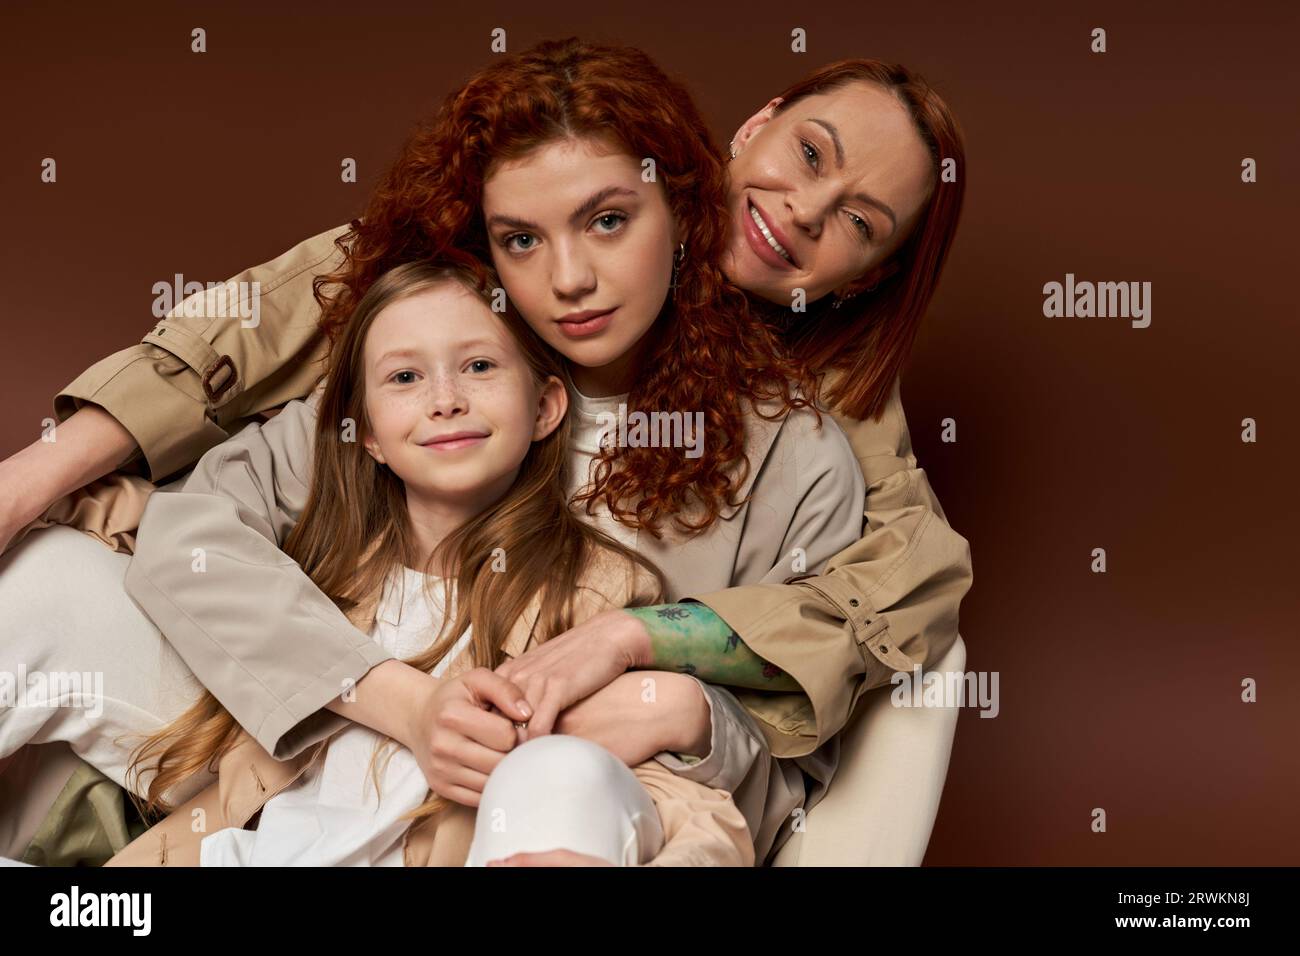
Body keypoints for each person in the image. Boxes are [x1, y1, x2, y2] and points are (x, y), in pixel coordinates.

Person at [0, 38, 969, 864]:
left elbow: (851, 665)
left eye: (608, 221)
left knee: (560, 778)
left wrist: (672, 691)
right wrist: (398, 699)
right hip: (307, 746)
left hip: (536, 791)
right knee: (47, 581)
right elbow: (214, 487)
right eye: (523, 239)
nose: (571, 276)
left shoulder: (806, 449)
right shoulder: (444, 349)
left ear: (674, 207)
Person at [105, 260, 754, 867]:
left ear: (546, 409)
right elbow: (157, 524)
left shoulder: (593, 591)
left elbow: (663, 798)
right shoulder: (322, 566)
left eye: (477, 366)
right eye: (405, 378)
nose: (445, 400)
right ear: (371, 435)